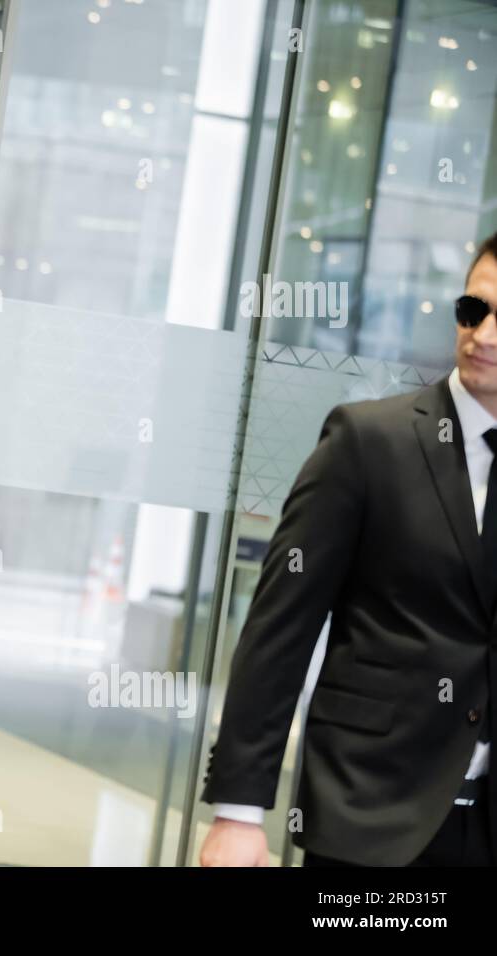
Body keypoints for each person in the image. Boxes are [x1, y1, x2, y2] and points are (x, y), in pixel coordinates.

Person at [200, 233, 497, 867]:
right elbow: (281, 629)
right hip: (373, 819)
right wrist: (239, 812)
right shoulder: (368, 442)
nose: (483, 336)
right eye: (473, 311)